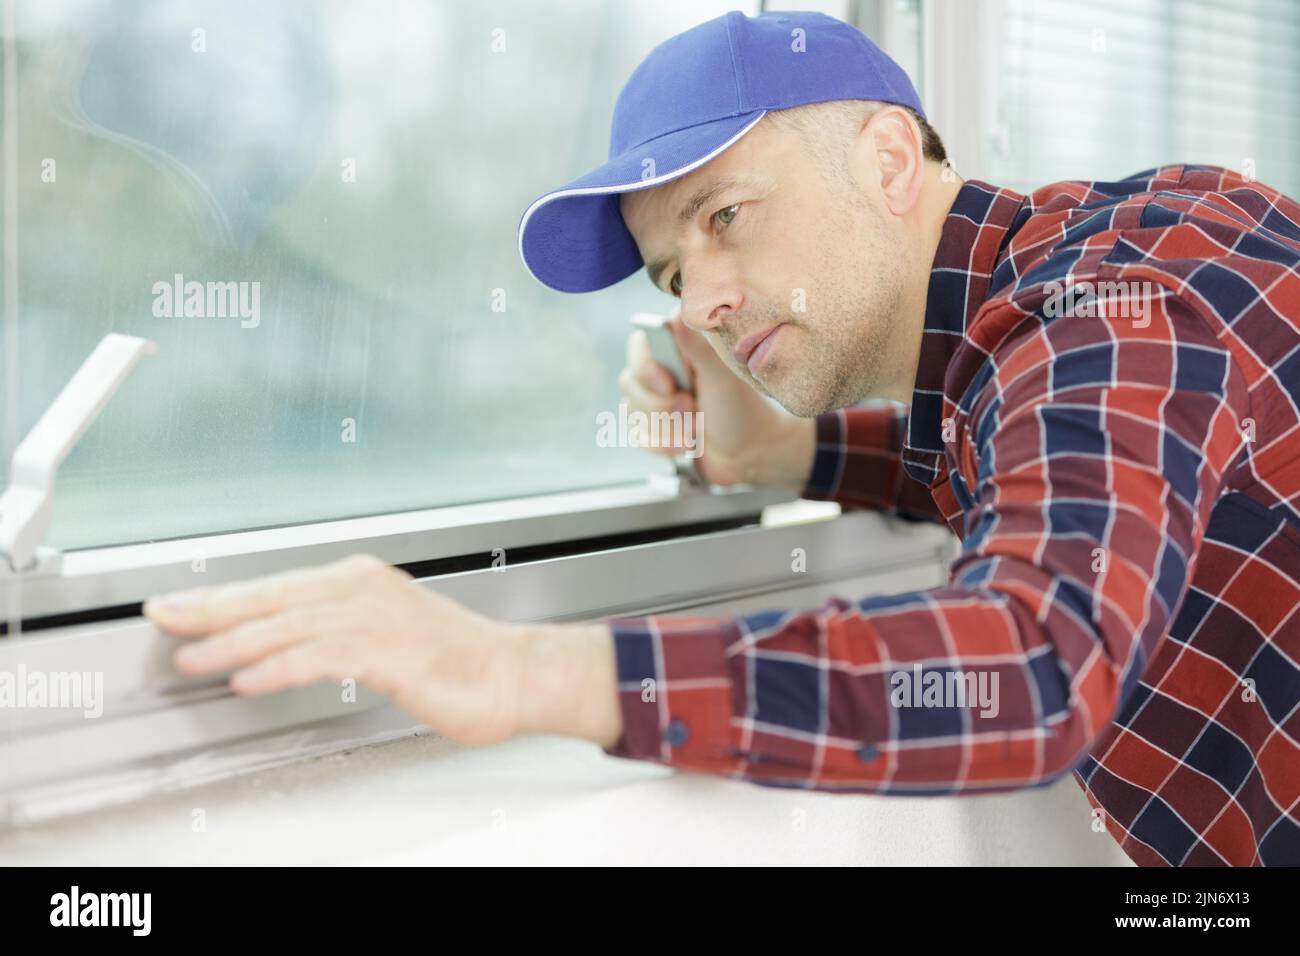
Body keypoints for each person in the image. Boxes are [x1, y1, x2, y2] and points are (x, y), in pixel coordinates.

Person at [145, 10, 1300, 866]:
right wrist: (780, 457)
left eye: (725, 217)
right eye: (670, 270)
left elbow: (1032, 668)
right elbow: (1050, 458)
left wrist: (510, 666)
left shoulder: (1099, 311)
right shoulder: (1136, 244)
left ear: (890, 160)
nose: (701, 301)